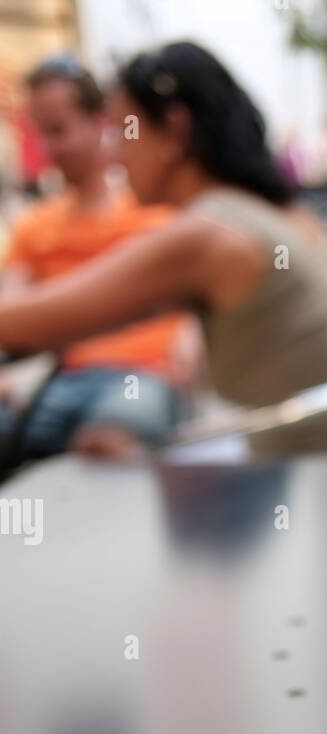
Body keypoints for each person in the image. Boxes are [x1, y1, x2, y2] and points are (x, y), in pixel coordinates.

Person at [0, 42, 327, 457]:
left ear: (174, 131)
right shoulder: (280, 212)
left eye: (125, 130)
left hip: (297, 492)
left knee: (103, 454)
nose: (114, 151)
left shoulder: (208, 235)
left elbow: (31, 322)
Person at [0, 55, 194, 460]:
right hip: (61, 379)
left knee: (107, 445)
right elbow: (8, 307)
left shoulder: (152, 208)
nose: (50, 148)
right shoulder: (36, 226)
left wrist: (189, 348)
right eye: (41, 134)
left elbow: (196, 296)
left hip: (143, 376)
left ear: (98, 122)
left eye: (59, 130)